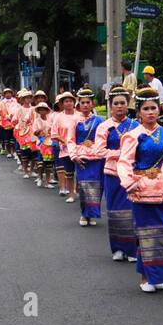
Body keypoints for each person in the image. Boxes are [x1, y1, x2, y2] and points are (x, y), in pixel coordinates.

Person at [116, 87, 163, 292]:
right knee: (145, 234)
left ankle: (159, 275)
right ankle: (145, 277)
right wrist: (129, 183)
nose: (150, 112)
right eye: (146, 108)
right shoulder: (133, 135)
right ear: (139, 112)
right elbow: (124, 162)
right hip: (142, 189)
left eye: (154, 108)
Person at [97, 86, 139, 259]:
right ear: (111, 106)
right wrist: (120, 154)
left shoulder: (135, 125)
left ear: (127, 104)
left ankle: (132, 249)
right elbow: (99, 151)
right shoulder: (104, 126)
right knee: (114, 211)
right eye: (116, 104)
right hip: (112, 174)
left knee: (131, 211)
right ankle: (118, 248)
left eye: (123, 103)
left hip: (131, 174)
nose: (120, 106)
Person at [68, 87, 105, 225]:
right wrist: (73, 156)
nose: (85, 105)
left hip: (97, 157)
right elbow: (70, 140)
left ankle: (92, 215)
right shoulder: (74, 120)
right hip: (81, 157)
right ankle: (84, 214)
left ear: (92, 104)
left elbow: (104, 139)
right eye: (82, 102)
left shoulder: (100, 120)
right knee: (83, 187)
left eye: (88, 102)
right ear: (79, 104)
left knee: (96, 186)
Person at [51, 91, 82, 203]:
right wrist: (64, 141)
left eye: (70, 101)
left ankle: (79, 191)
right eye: (66, 101)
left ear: (74, 102)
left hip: (79, 148)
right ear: (62, 104)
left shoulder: (80, 115)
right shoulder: (58, 117)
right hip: (65, 148)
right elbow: (54, 133)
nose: (68, 103)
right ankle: (71, 194)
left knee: (80, 171)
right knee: (69, 172)